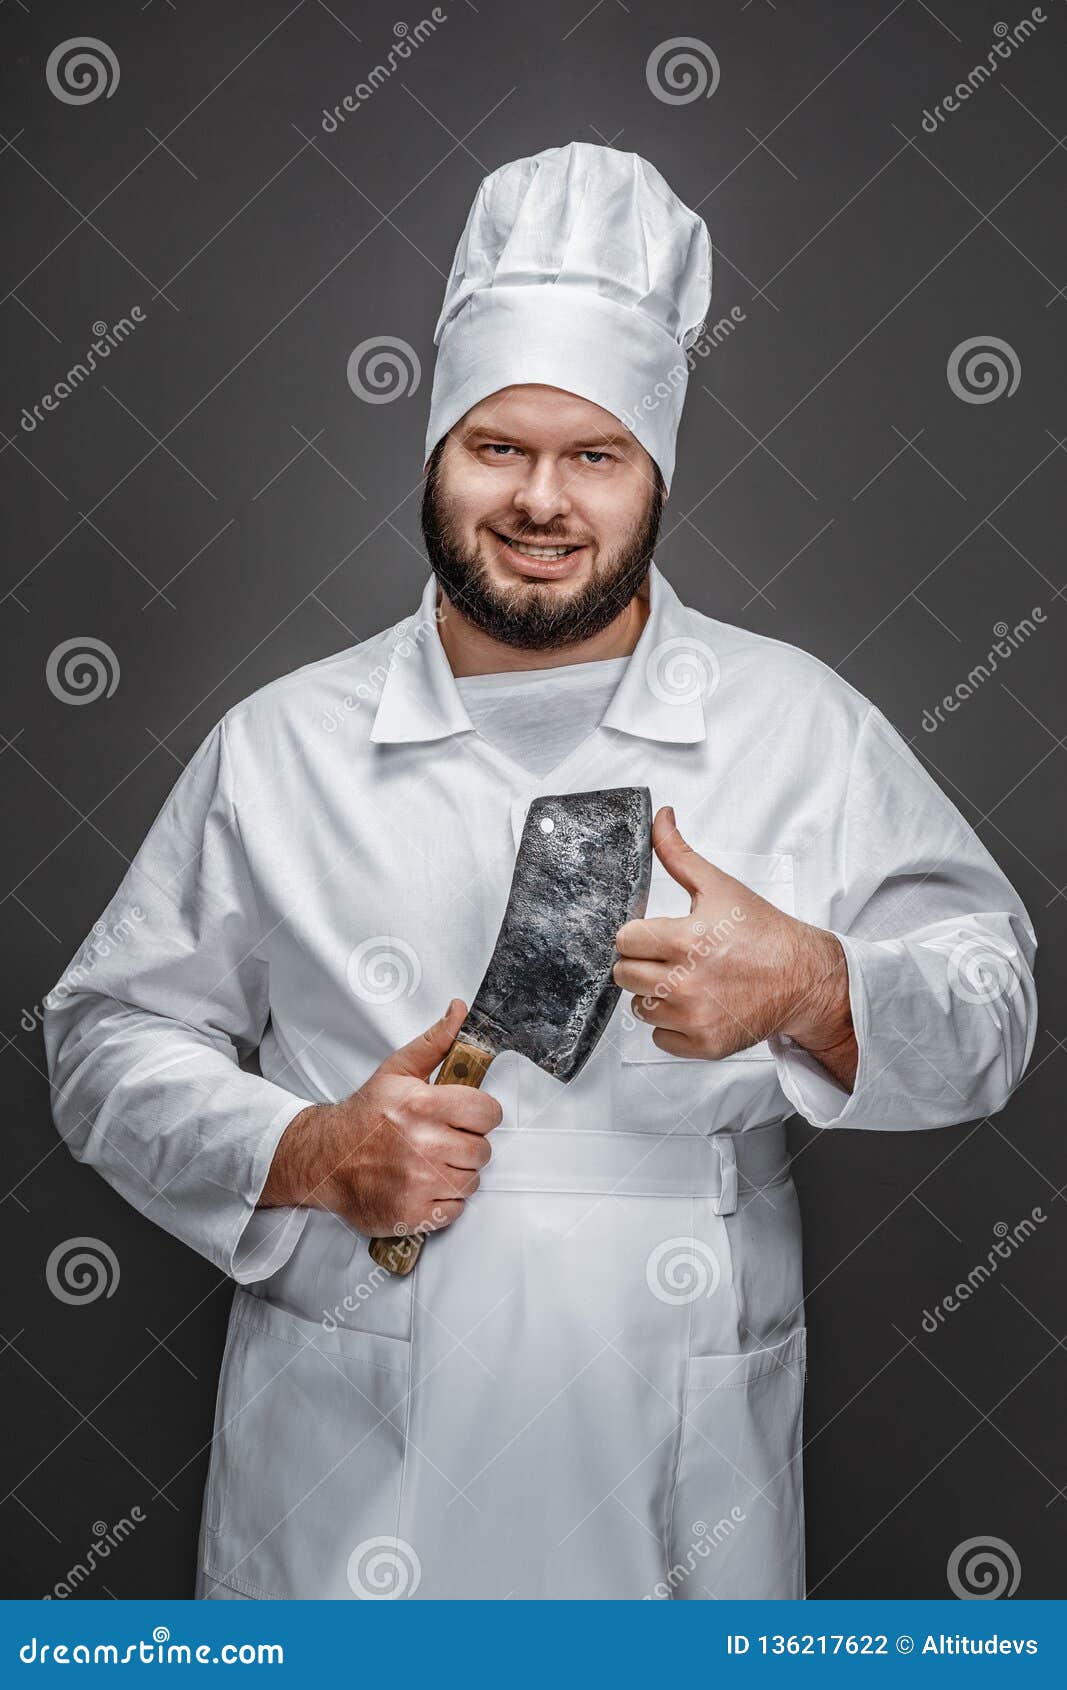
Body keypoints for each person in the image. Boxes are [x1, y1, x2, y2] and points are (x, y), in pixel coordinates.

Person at [43, 143, 1037, 1602]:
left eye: (596, 456)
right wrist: (307, 1150)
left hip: (673, 1470)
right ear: (433, 453)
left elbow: (994, 1008)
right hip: (347, 1477)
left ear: (656, 475)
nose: (542, 501)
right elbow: (101, 1040)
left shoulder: (799, 727)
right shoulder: (282, 745)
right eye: (498, 447)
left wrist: (819, 991)